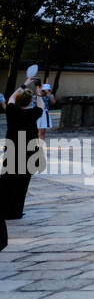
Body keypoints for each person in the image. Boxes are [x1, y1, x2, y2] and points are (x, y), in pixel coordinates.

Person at [1, 88, 41, 220]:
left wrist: (24, 84)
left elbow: (10, 99)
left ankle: (5, 209)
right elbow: (41, 106)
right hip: (29, 153)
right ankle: (16, 211)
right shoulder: (34, 113)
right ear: (30, 101)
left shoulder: (11, 111)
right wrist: (39, 94)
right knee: (22, 183)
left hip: (12, 151)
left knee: (8, 181)